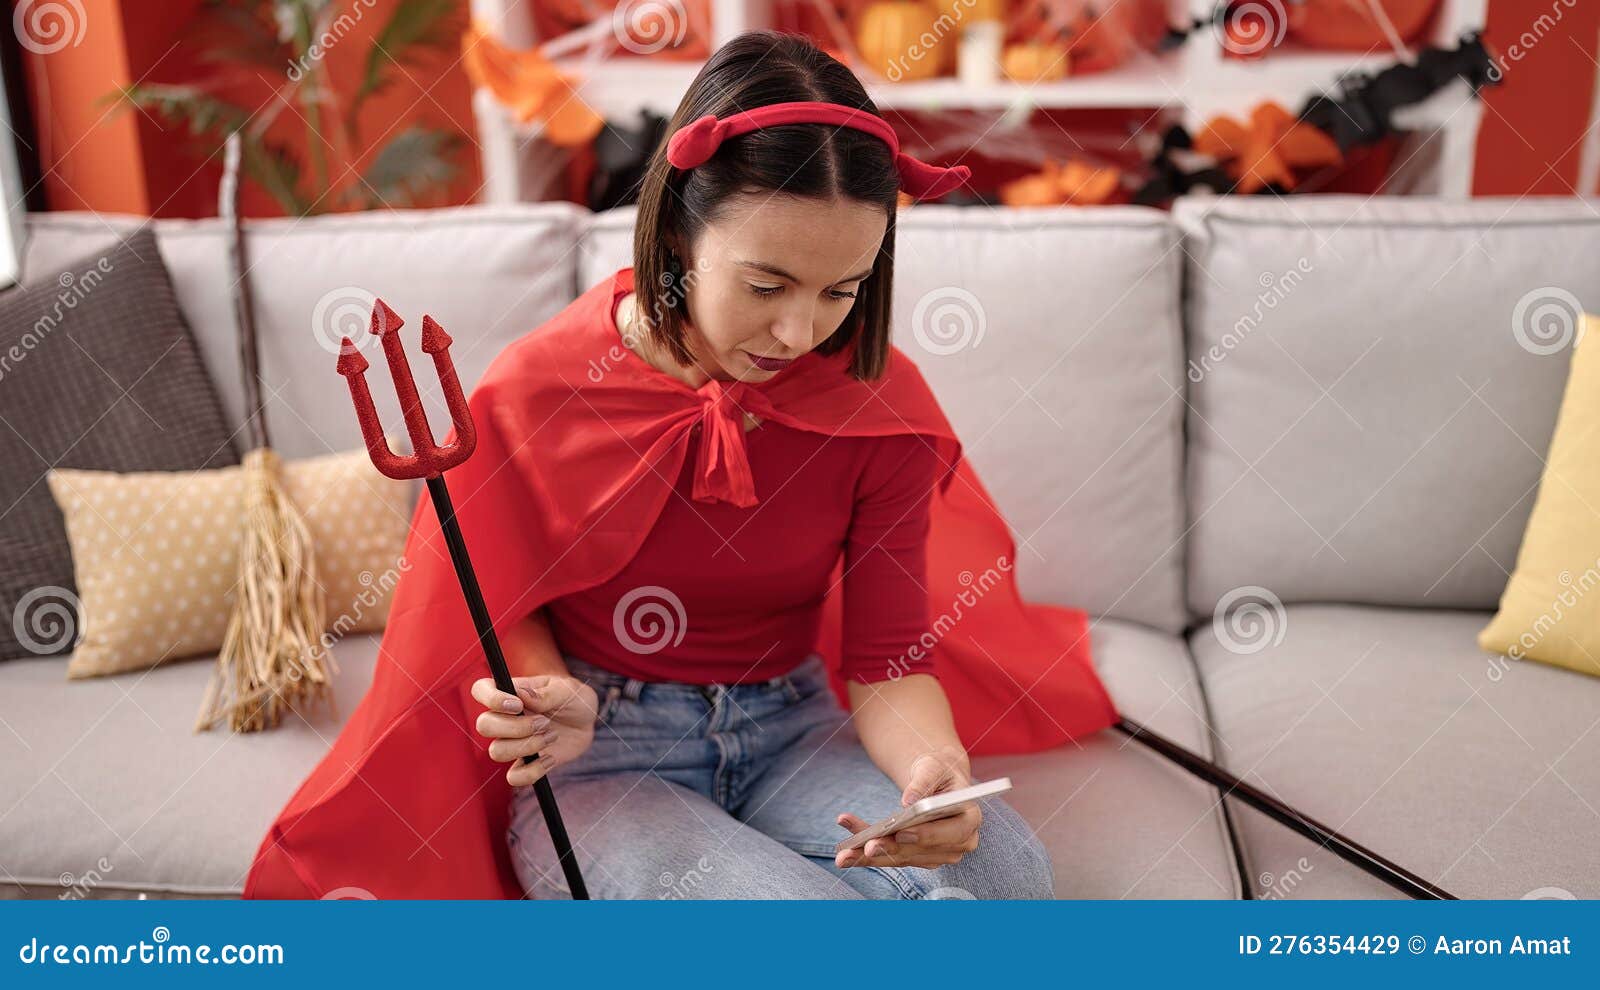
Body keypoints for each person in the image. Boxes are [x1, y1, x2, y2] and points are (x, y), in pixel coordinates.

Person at [469, 30, 1055, 900]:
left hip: (793, 729)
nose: (799, 333)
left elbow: (890, 660)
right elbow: (491, 596)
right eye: (767, 286)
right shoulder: (542, 386)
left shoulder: (877, 408)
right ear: (676, 231)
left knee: (1005, 874)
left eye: (841, 290)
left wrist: (935, 772)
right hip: (609, 757)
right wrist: (547, 697)